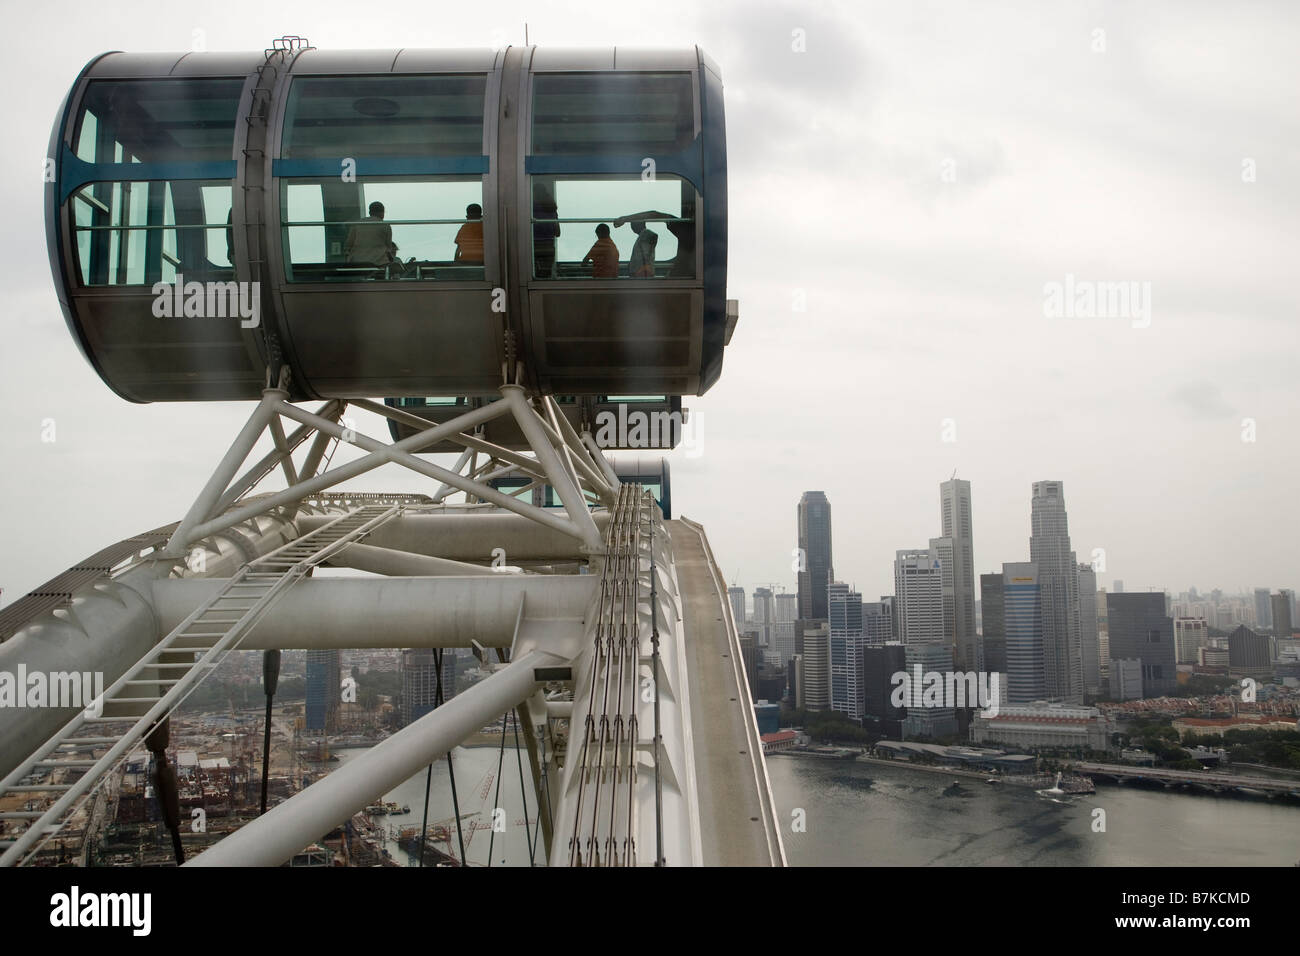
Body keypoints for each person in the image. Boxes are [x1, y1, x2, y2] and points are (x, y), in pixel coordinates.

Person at [614, 199, 693, 277]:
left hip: (680, 275)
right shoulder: (690, 228)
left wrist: (625, 219)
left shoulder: (685, 227)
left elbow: (655, 214)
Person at [345, 201, 398, 268]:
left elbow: (348, 245)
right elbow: (388, 248)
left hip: (357, 262)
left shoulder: (357, 224)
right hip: (379, 263)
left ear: (370, 212)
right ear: (382, 213)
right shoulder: (385, 225)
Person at [532, 182, 560, 278]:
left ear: (534, 194)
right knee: (545, 276)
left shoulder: (530, 209)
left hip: (534, 246)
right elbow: (558, 233)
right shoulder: (552, 209)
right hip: (549, 245)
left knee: (535, 275)